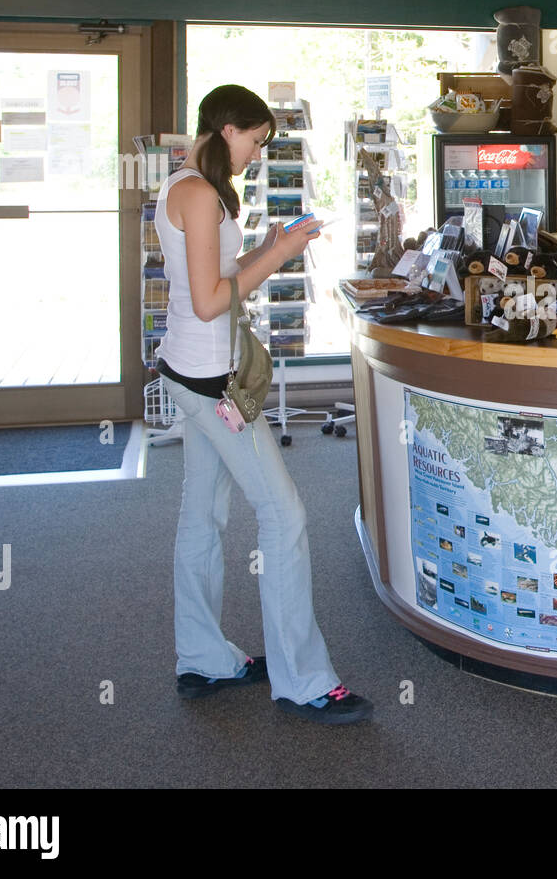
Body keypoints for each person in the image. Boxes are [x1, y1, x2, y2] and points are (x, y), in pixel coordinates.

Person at [153, 84, 372, 725]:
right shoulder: (197, 193)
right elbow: (210, 301)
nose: (255, 153)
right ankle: (302, 681)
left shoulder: (190, 186)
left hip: (189, 372)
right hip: (210, 384)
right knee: (285, 516)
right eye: (254, 139)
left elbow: (215, 278)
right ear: (227, 130)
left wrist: (271, 246)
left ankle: (200, 658)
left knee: (202, 516)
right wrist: (278, 253)